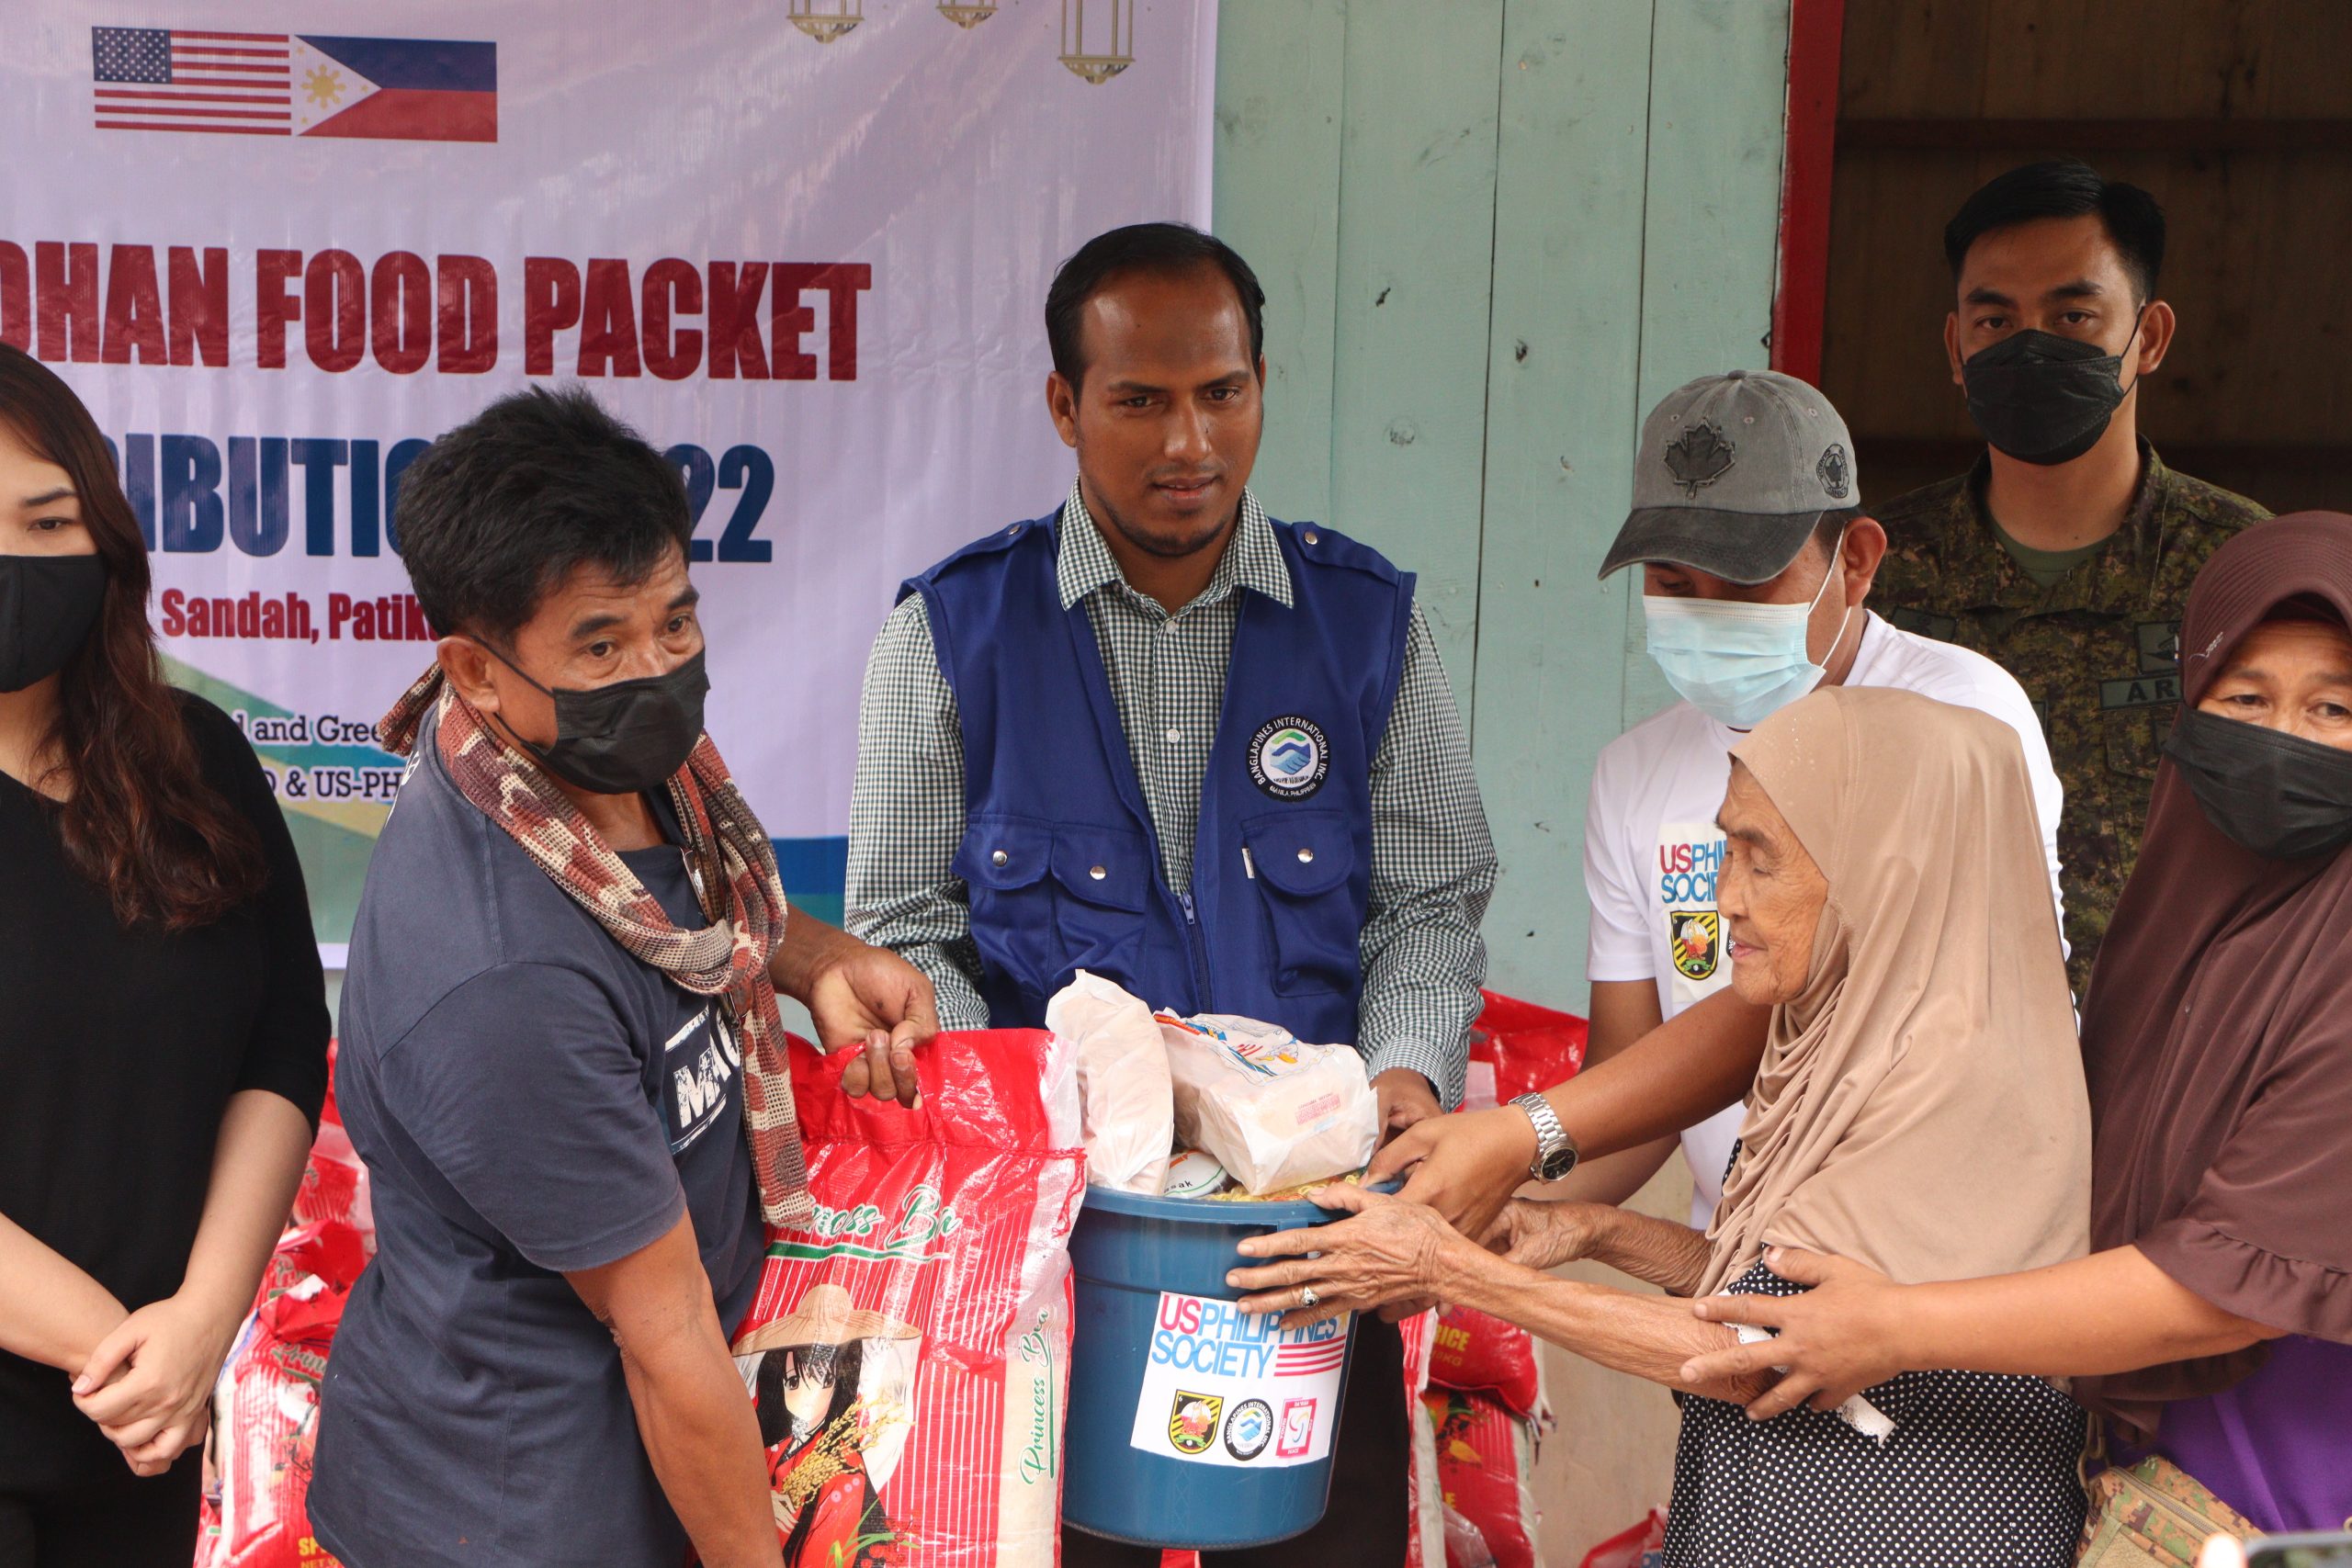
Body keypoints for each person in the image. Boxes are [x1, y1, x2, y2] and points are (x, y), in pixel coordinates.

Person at [846, 220, 1497, 1565]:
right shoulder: (950, 632)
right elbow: (905, 934)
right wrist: (1043, 1130)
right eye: (1140, 400)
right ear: (1065, 405)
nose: (1189, 440)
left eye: (1222, 392)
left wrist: (1405, 1078)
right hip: (1063, 1263)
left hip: (1312, 1245)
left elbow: (1430, 903)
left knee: (1316, 1543)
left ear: (1260, 386)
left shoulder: (1365, 621)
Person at [1232, 685, 2095, 1566]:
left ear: (1882, 868)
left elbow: (1760, 1353)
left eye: (1761, 863)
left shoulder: (1949, 1067)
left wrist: (1448, 1268)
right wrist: (1584, 1230)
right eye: (1726, 851)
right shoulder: (1845, 1030)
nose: (1724, 899)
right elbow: (1779, 1287)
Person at [308, 388, 940, 1568]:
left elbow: (676, 910)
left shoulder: (583, 763)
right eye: (601, 645)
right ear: (475, 670)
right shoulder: (501, 976)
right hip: (517, 1515)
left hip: (660, 1456)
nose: (655, 672)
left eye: (676, 623)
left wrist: (814, 959)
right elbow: (665, 1337)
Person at [1676, 513, 2352, 1540]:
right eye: (2245, 699)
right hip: (2143, 1493)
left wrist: (1899, 1327)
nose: (2280, 741)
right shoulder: (2176, 917)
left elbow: (2227, 1287)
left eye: (2333, 708)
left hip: (2298, 1506)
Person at [1566, 367, 2064, 1226]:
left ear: (1856, 561)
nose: (1708, 614)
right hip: (1730, 1264)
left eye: (1746, 584)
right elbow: (1630, 1087)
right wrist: (1481, 1209)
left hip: (1932, 1262)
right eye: (1676, 585)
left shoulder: (1957, 721)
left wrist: (1516, 1135)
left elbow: (1858, 1012)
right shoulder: (1633, 773)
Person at [0, 344, 330, 1563]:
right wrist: (122, 1349)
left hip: (147, 1445)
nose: (14, 561)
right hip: (120, 1392)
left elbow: (282, 1043)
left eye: (47, 521)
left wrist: (203, 1315)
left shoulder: (195, 762)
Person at [1872, 158, 2269, 991]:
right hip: (1928, 1044)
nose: (2032, 346)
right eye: (1995, 320)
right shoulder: (1873, 573)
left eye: (2074, 315)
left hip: (2174, 1043)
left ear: (2149, 337)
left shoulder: (2244, 572)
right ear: (1956, 348)